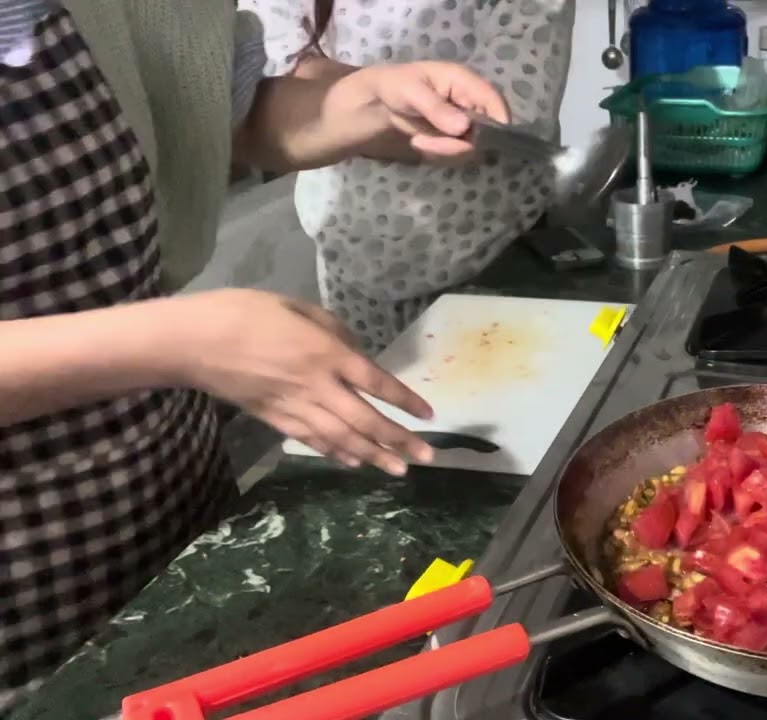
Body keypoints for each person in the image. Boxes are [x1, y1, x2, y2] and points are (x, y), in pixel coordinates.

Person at [0, 0, 511, 711]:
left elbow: (217, 115)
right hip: (23, 619)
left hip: (182, 525)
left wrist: (355, 103)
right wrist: (176, 340)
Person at [242, 0, 573, 351]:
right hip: (348, 260)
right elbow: (269, 74)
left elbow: (502, 109)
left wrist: (337, 103)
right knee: (375, 401)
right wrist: (379, 97)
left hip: (495, 254)